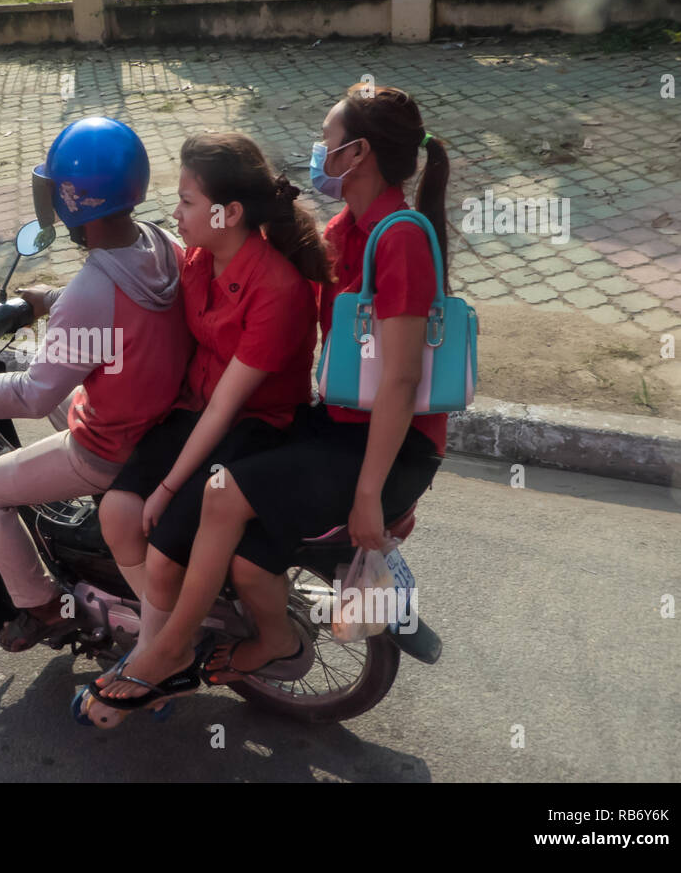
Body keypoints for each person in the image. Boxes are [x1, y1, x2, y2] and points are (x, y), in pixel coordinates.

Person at [96, 83, 451, 710]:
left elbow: (399, 380)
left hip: (390, 447)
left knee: (222, 492)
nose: (319, 152)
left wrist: (373, 494)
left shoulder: (399, 237)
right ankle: (276, 644)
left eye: (328, 141)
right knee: (249, 564)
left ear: (358, 154)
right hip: (336, 428)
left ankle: (167, 651)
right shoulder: (345, 229)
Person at [0, 117, 192, 652]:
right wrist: (53, 302)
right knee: (69, 399)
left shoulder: (92, 287)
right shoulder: (162, 243)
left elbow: (33, 396)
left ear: (71, 201)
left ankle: (42, 605)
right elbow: (120, 319)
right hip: (161, 418)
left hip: (110, 447)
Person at [88, 132, 330, 722]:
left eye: (188, 201)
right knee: (117, 514)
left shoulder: (278, 289)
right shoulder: (198, 258)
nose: (176, 213)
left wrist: (168, 486)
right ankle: (167, 637)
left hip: (252, 425)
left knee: (166, 553)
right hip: (195, 412)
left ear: (230, 212)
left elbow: (227, 408)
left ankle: (159, 657)